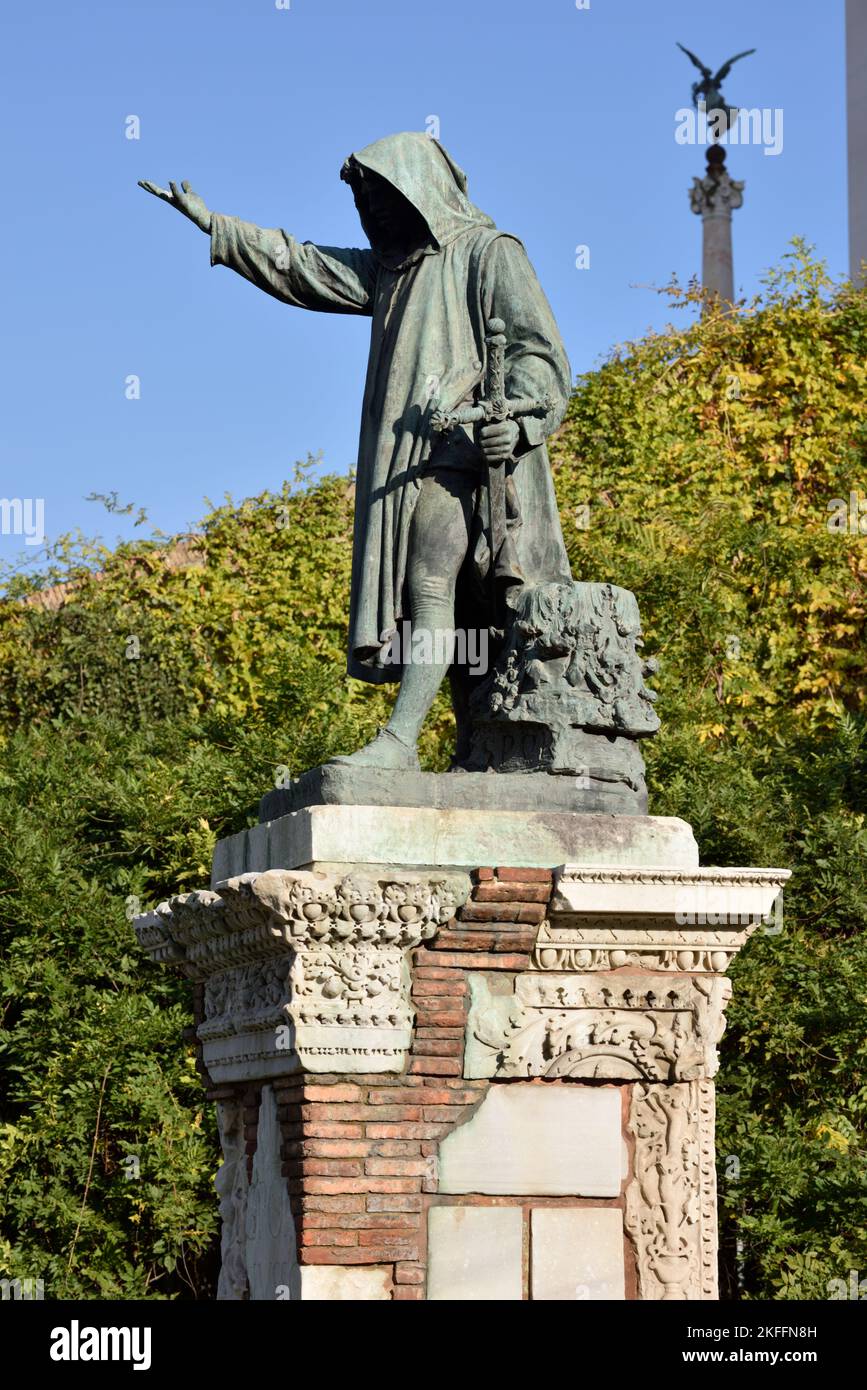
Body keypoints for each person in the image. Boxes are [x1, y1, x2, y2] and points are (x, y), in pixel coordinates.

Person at [140, 132, 572, 769]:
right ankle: (470, 750)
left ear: (421, 188)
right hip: (402, 459)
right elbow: (305, 266)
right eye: (368, 200)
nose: (376, 211)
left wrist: (523, 425)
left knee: (430, 581)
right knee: (460, 607)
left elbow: (540, 353)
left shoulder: (490, 252)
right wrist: (221, 229)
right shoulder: (390, 273)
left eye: (385, 194)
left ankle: (399, 744)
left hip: (465, 447)